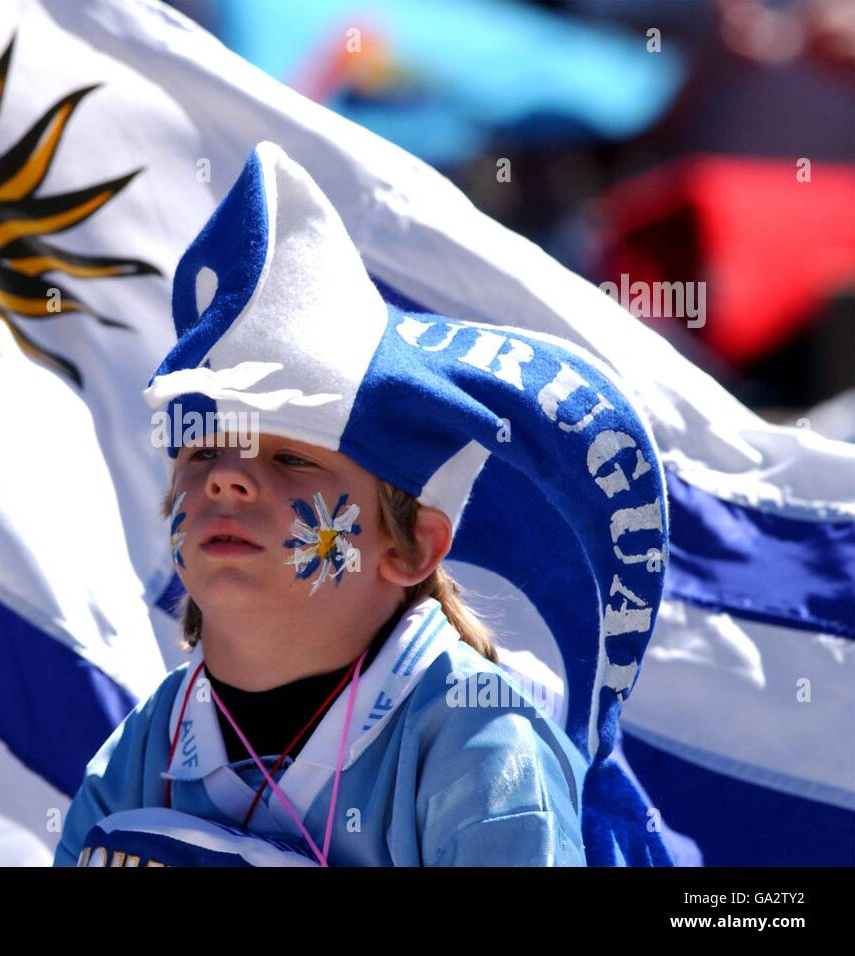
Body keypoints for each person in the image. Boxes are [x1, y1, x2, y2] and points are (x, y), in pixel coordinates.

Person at [54, 140, 670, 867]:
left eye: (290, 457)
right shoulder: (151, 738)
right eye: (201, 453)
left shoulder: (480, 737)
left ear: (412, 548)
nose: (227, 480)